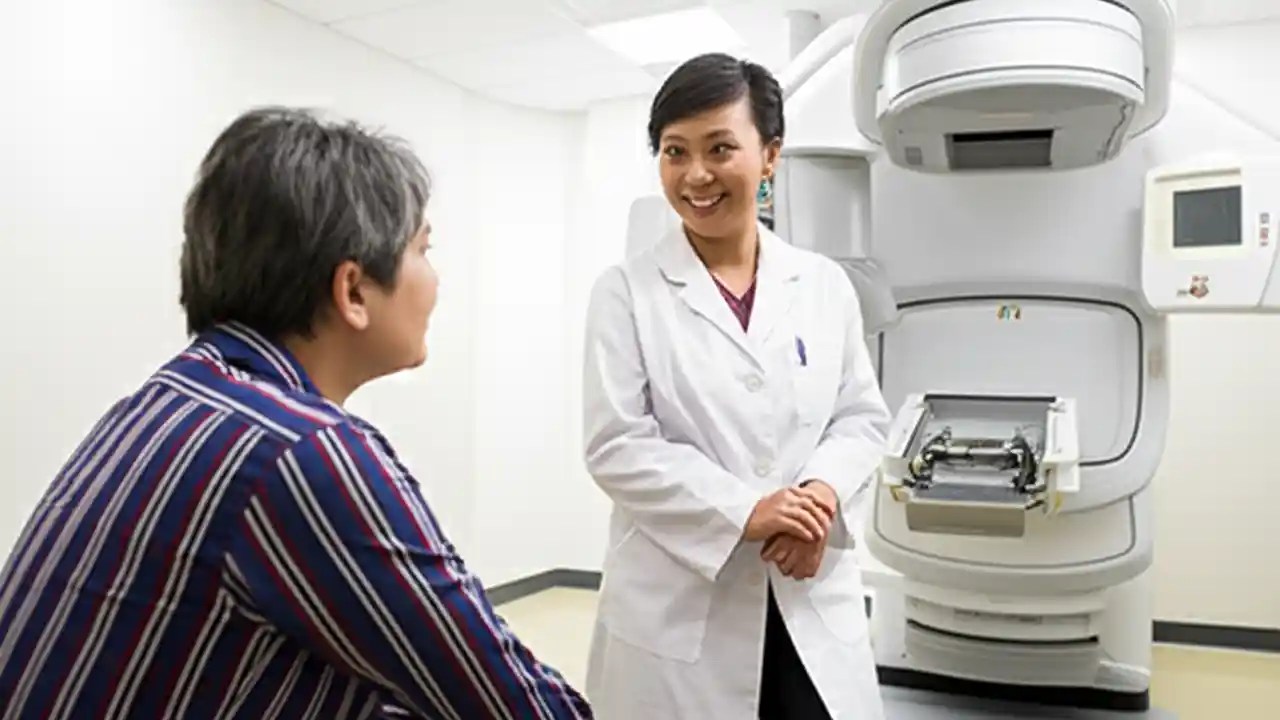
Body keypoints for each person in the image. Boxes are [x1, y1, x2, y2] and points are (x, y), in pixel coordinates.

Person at [0, 107, 591, 720]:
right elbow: (516, 706)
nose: (436, 279)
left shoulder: (162, 401)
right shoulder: (302, 452)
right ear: (353, 290)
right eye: (423, 248)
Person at [581, 53, 892, 719]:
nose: (696, 174)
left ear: (770, 155)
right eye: (675, 151)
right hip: (679, 609)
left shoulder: (823, 285)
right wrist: (748, 511)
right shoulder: (625, 292)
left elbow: (860, 417)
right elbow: (617, 445)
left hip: (807, 590)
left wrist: (817, 502)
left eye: (720, 148)